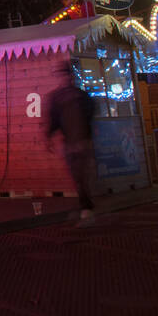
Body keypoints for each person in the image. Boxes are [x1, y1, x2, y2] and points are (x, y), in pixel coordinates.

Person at [45, 60, 96, 226]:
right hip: (82, 141)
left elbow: (53, 120)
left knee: (78, 176)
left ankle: (86, 208)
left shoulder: (57, 97)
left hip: (72, 143)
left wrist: (49, 137)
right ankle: (86, 207)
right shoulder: (81, 95)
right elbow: (92, 111)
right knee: (82, 176)